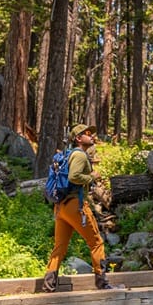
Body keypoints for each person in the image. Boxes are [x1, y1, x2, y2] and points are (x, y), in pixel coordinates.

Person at [42, 123, 113, 292]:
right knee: (96, 243)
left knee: (59, 247)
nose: (92, 135)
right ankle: (102, 283)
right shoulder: (80, 155)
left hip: (61, 208)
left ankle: (48, 285)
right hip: (76, 206)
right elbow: (74, 177)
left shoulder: (69, 154)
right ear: (79, 138)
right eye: (88, 133)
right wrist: (92, 177)